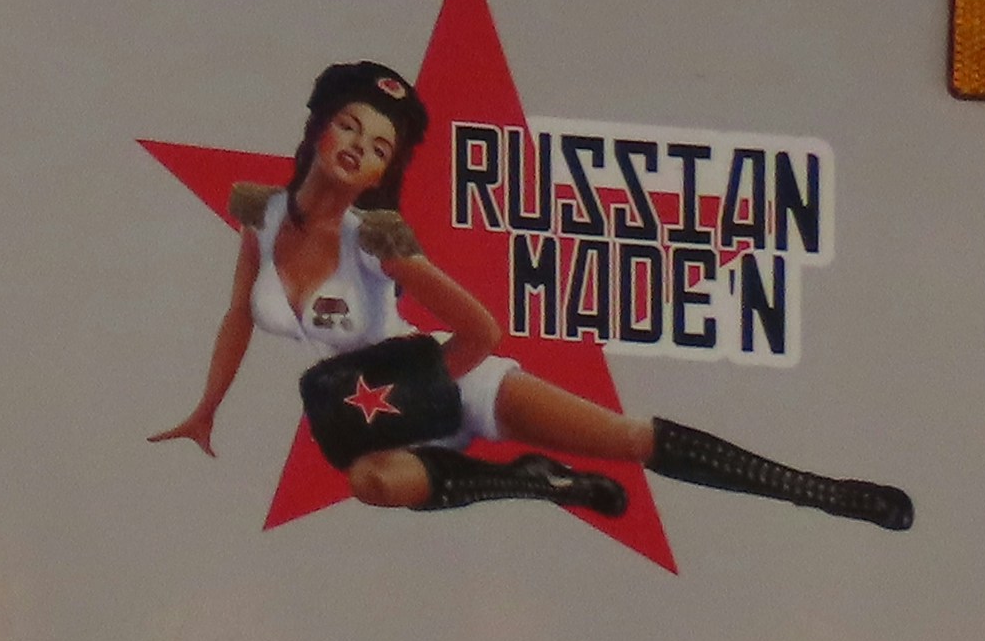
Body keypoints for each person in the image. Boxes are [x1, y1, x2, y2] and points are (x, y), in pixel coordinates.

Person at [153, 60, 909, 530]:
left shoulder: (376, 236)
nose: (359, 147)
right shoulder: (259, 209)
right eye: (351, 126)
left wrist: (419, 383)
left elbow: (479, 328)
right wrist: (206, 407)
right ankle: (526, 481)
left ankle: (823, 492)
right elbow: (235, 312)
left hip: (447, 381)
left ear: (383, 169)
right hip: (368, 416)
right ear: (320, 127)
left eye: (379, 145)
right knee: (372, 482)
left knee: (625, 438)